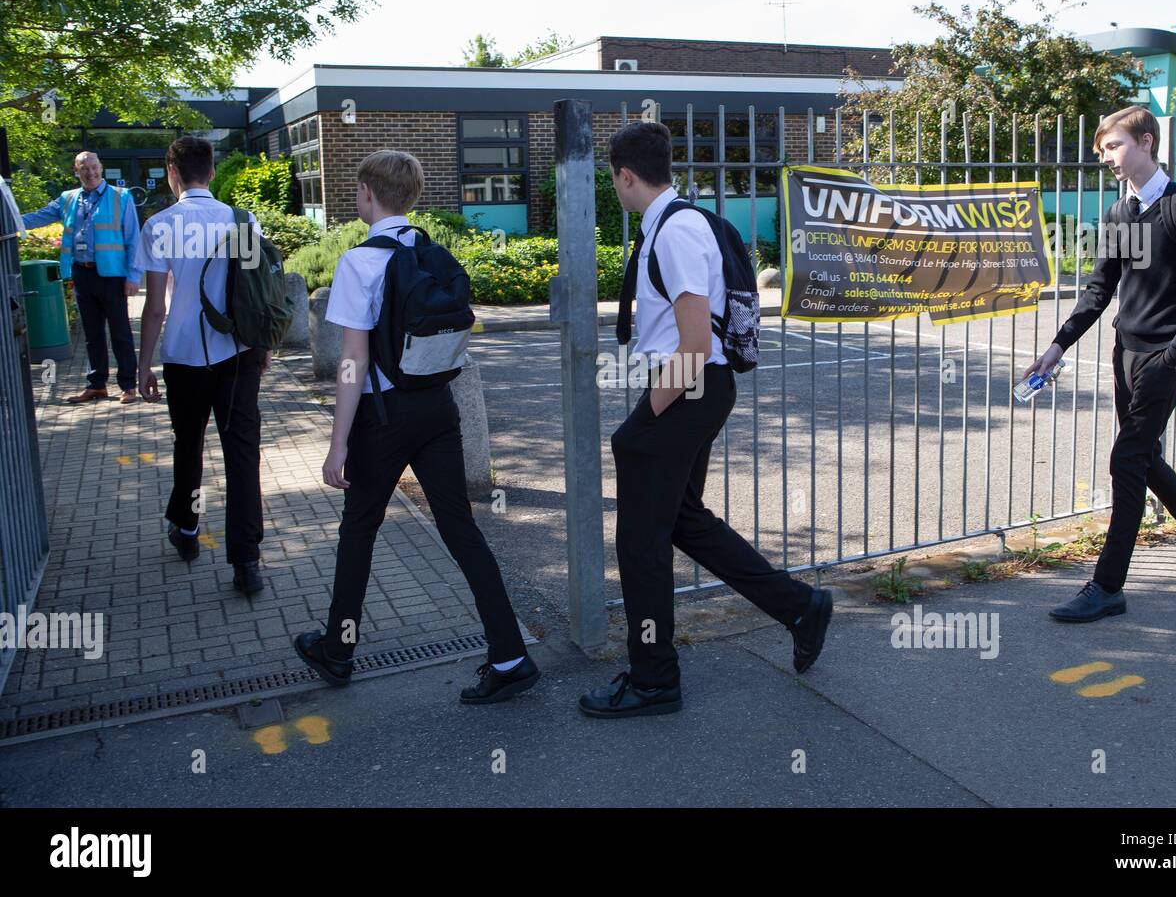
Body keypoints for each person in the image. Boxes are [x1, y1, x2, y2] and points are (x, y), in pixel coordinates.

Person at [579, 121, 832, 719]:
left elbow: (693, 344)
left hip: (687, 389)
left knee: (640, 543)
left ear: (625, 175)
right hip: (694, 390)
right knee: (683, 523)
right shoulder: (676, 224)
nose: (615, 188)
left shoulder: (675, 232)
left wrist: (642, 421)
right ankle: (799, 607)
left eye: (614, 180)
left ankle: (654, 678)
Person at [292, 149, 538, 703]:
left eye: (358, 191)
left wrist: (337, 444)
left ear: (369, 195)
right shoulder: (432, 252)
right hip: (438, 409)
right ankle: (510, 654)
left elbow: (352, 361)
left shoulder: (359, 262)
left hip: (382, 419)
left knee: (359, 531)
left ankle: (338, 649)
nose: (357, 198)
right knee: (461, 530)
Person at [1024, 106, 1176, 622]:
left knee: (1126, 459)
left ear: (1146, 143)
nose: (1106, 158)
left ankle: (1108, 586)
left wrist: (1175, 355)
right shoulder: (1120, 214)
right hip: (1126, 352)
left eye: (1113, 146)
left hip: (1166, 355)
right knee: (1143, 456)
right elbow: (1099, 290)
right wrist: (1057, 346)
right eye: (1102, 151)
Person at [135, 136, 268, 595]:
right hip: (238, 352)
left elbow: (154, 307)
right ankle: (246, 561)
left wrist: (142, 365)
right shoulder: (242, 219)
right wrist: (262, 349)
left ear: (172, 172)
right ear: (211, 172)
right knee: (242, 454)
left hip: (184, 354)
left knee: (188, 445)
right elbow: (257, 294)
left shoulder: (158, 225)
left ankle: (188, 531)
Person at [22, 151, 141, 403]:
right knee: (91, 333)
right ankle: (96, 384)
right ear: (76, 171)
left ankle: (128, 385)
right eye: (84, 168)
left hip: (112, 276)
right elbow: (37, 217)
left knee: (120, 332)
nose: (91, 172)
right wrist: (10, 220)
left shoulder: (122, 197)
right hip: (81, 273)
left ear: (101, 167)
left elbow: (133, 240)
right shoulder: (67, 199)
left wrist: (134, 276)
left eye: (94, 167)